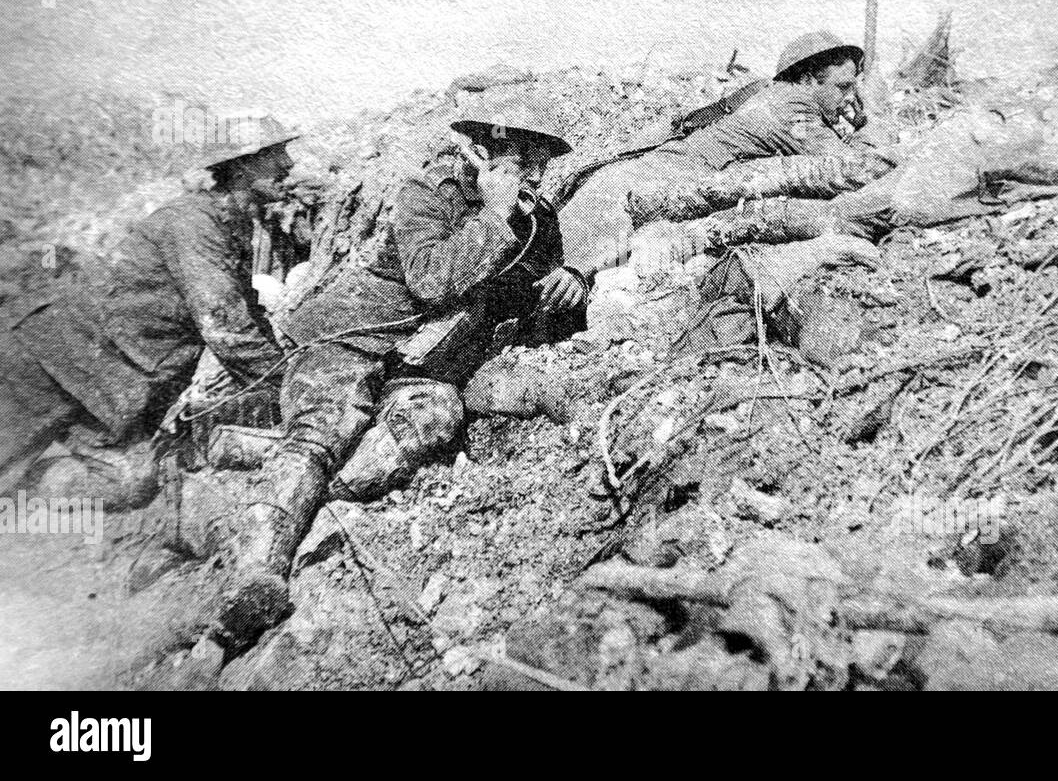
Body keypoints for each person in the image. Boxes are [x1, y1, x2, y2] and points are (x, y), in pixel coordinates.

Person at [216, 93, 587, 640]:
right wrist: (493, 213)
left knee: (435, 418)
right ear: (487, 149)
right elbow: (432, 279)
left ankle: (295, 471)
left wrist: (572, 279)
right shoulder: (425, 194)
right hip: (349, 340)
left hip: (419, 366)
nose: (536, 171)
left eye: (542, 160)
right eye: (525, 156)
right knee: (325, 426)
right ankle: (258, 571)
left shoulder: (534, 218)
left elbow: (533, 283)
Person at [0, 113, 296, 497]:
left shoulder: (231, 221)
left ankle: (22, 496)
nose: (287, 164)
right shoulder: (194, 223)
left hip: (102, 374)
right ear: (239, 167)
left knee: (134, 482)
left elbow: (240, 311)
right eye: (273, 154)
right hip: (49, 354)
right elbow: (224, 324)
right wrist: (290, 386)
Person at [558, 31, 896, 282]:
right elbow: (857, 169)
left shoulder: (766, 93)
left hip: (648, 170)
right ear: (808, 80)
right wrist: (873, 119)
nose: (850, 97)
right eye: (843, 87)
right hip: (659, 178)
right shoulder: (795, 110)